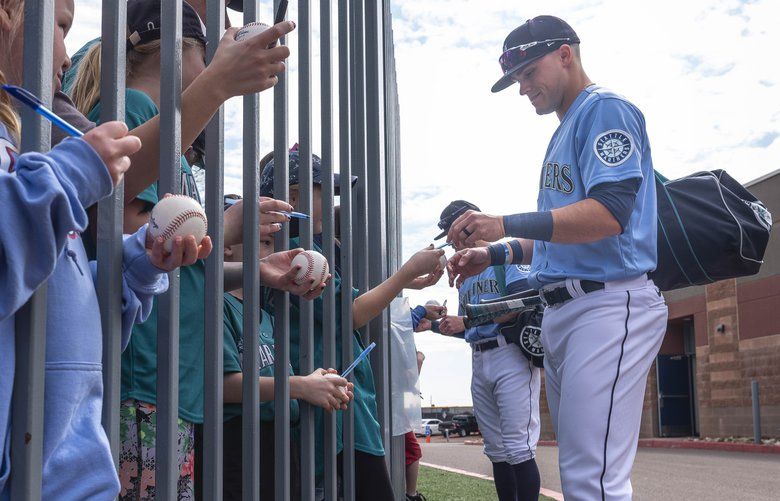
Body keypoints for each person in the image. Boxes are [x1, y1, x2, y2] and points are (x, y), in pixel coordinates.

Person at [65, 3, 324, 498]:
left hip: (168, 376)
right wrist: (227, 225)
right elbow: (123, 229)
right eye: (206, 52)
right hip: (143, 369)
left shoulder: (162, 127)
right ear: (178, 50)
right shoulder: (134, 106)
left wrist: (253, 271)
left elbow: (177, 260)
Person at [447, 16, 668, 500]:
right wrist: (495, 253)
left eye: (529, 72)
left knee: (595, 479)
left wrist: (504, 222)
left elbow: (609, 213)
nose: (523, 88)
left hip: (609, 304)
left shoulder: (604, 109)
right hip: (566, 310)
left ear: (565, 54)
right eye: (518, 79)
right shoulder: (565, 129)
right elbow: (556, 237)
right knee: (579, 475)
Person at [0, 0, 211, 498]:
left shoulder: (17, 144)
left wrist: (133, 266)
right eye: (61, 26)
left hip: (74, 474)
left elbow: (54, 313)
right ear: (8, 11)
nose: (68, 57)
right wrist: (71, 175)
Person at [260, 149, 445, 500]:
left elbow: (351, 300)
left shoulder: (301, 246)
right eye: (323, 190)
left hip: (332, 398)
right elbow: (349, 314)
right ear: (295, 196)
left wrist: (407, 282)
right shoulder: (300, 250)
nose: (331, 201)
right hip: (332, 406)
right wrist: (405, 272)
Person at [220, 207, 353, 501]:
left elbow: (275, 377)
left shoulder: (265, 316)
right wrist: (302, 387)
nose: (271, 250)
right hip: (238, 442)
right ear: (225, 245)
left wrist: (312, 383)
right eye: (264, 242)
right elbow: (223, 386)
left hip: (279, 440)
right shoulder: (220, 306)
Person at [434, 201, 541, 501]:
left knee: (518, 447)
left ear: (469, 226)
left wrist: (467, 320)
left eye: (453, 233)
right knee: (496, 449)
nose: (452, 241)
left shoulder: (505, 255)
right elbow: (464, 326)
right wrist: (437, 325)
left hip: (510, 354)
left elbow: (524, 301)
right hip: (479, 356)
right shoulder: (465, 271)